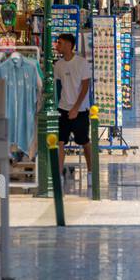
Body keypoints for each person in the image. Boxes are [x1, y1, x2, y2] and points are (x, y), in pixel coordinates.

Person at [55, 32, 92, 175]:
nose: (57, 45)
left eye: (60, 43)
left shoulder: (81, 63)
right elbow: (59, 87)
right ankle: (58, 174)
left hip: (81, 110)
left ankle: (90, 171)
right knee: (60, 142)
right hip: (63, 108)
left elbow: (85, 87)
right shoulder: (58, 65)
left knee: (84, 141)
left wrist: (76, 108)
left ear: (69, 45)